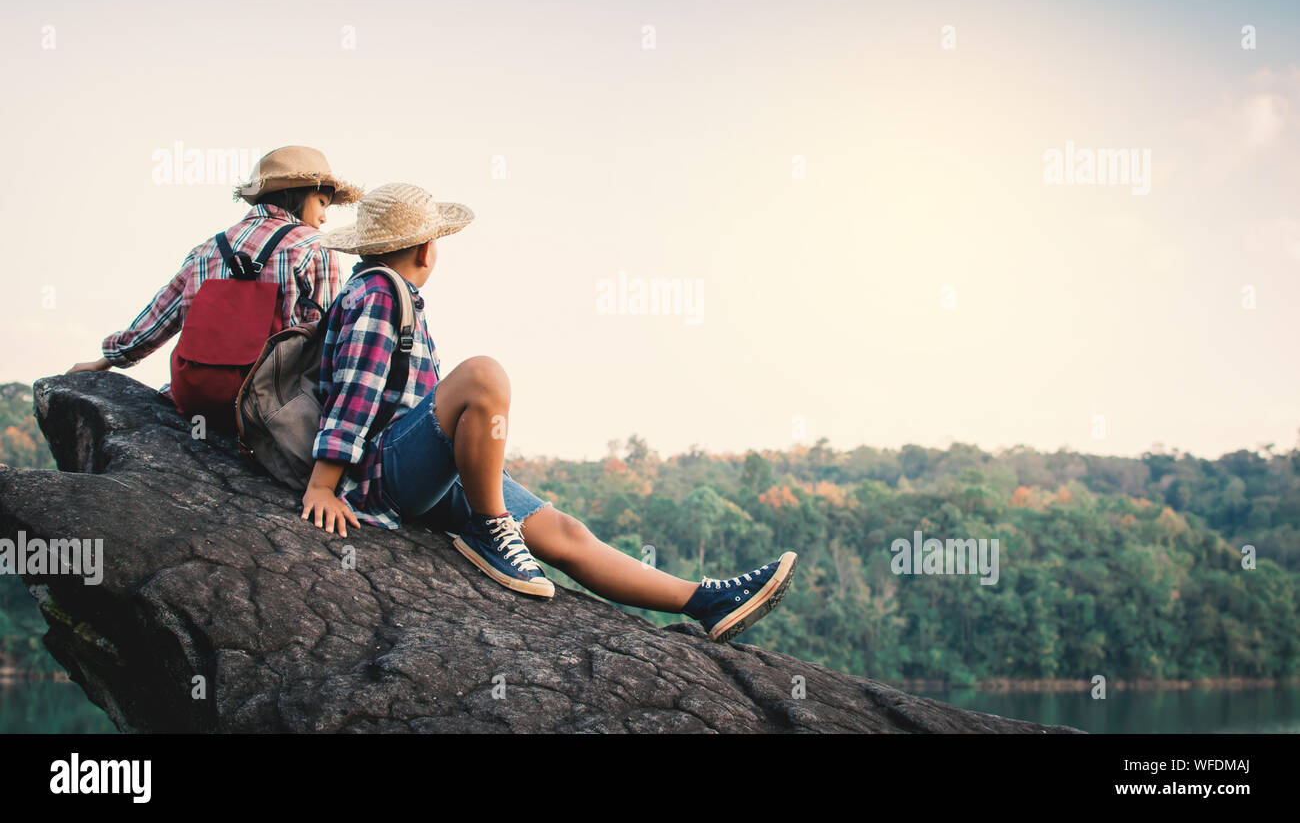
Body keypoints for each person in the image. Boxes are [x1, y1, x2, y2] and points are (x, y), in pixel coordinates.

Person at [301, 182, 797, 643]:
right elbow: (354, 394)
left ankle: (704, 601)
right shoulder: (377, 294)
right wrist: (324, 485)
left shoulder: (397, 298)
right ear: (426, 249)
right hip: (383, 472)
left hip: (427, 471)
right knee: (483, 375)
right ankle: (489, 526)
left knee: (564, 532)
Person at [67, 146, 360, 425]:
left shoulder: (208, 248)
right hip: (268, 408)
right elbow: (326, 341)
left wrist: (105, 362)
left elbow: (160, 318)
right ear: (293, 194)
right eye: (322, 203)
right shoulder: (316, 248)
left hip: (197, 400)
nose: (323, 217)